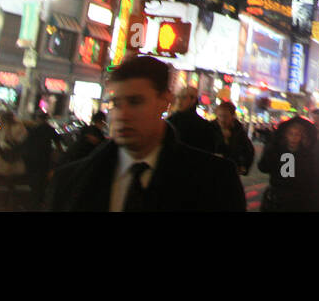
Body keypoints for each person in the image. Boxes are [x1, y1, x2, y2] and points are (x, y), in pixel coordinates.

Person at [47, 56, 245, 211]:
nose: (123, 114)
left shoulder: (216, 181)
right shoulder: (70, 181)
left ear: (165, 101)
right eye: (116, 104)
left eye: (135, 102)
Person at [257, 116, 319, 212]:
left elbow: (310, 179)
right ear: (285, 135)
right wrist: (270, 149)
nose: (293, 138)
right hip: (277, 200)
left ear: (302, 136)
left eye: (297, 134)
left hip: (297, 201)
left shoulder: (306, 155)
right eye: (290, 134)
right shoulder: (277, 150)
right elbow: (263, 167)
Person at [166, 86, 223, 154]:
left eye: (184, 97)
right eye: (178, 97)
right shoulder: (171, 120)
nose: (179, 100)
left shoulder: (171, 121)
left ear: (193, 100)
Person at [22, 107, 60, 209]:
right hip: (44, 160)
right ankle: (38, 202)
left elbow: (27, 143)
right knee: (42, 183)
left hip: (34, 160)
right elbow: (58, 144)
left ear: (39, 119)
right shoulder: (50, 130)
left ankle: (34, 202)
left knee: (34, 183)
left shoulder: (34, 130)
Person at [0, 110, 30, 210]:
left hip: (7, 155)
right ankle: (9, 202)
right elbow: (23, 138)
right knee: (11, 181)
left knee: (7, 180)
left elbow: (1, 140)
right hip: (12, 155)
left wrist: (6, 145)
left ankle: (5, 202)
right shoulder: (18, 126)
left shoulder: (7, 126)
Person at [216, 101, 255, 175]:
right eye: (219, 116)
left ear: (232, 116)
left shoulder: (238, 131)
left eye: (225, 116)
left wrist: (243, 166)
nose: (222, 119)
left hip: (231, 171)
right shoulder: (211, 128)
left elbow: (249, 151)